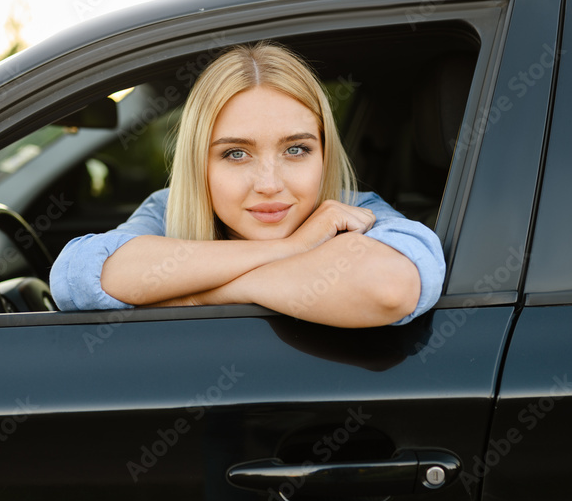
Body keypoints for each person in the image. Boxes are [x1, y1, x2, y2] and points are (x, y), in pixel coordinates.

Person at [50, 42, 444, 328]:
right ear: (199, 163)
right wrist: (290, 248)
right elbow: (78, 275)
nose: (269, 184)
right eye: (236, 154)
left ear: (324, 153)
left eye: (296, 149)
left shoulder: (357, 212)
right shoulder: (167, 209)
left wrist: (195, 295)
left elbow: (390, 287)